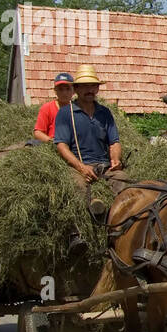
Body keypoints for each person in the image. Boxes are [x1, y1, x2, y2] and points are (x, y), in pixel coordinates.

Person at [53, 64, 130, 221]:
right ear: (76, 89)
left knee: (125, 183)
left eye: (93, 86)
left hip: (104, 167)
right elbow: (62, 145)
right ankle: (77, 233)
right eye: (84, 86)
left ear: (97, 89)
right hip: (78, 167)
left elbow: (114, 142)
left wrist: (115, 159)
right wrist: (81, 168)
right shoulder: (66, 113)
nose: (89, 90)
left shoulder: (105, 113)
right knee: (76, 189)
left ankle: (120, 228)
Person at [33, 72, 75, 142]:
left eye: (68, 89)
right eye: (61, 89)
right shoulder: (47, 108)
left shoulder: (78, 109)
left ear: (73, 91)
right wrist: (51, 141)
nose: (64, 93)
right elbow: (38, 132)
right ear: (55, 91)